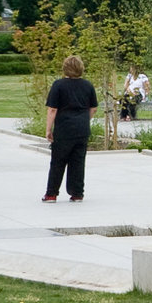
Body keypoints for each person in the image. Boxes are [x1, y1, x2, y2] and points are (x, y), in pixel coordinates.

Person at [42, 55, 97, 203]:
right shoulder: (88, 85)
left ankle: (51, 194)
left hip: (64, 129)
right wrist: (84, 120)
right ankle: (77, 193)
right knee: (78, 162)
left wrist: (48, 129)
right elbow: (93, 108)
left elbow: (52, 109)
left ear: (65, 68)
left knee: (58, 161)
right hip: (82, 129)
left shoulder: (58, 85)